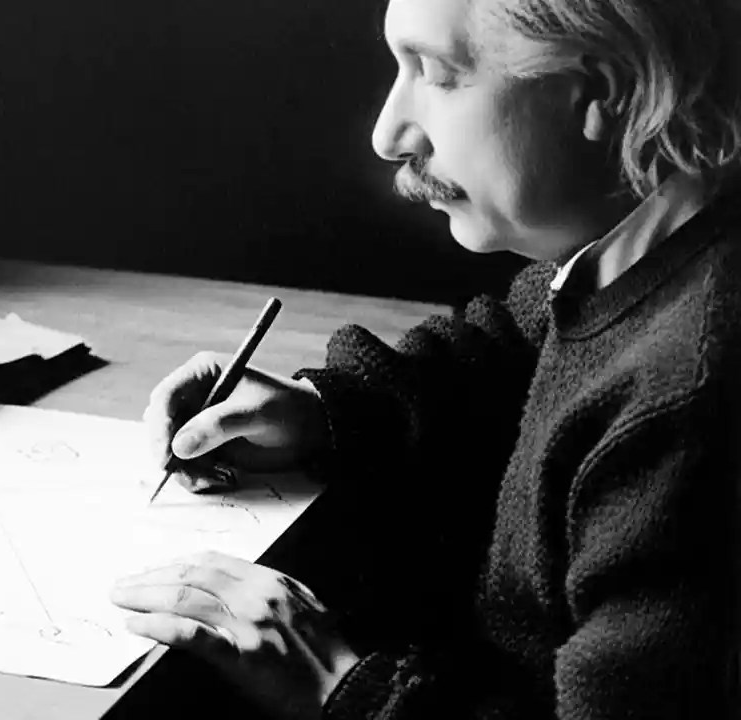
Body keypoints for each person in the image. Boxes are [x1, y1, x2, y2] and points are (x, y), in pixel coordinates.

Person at [109, 0, 741, 717]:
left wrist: (337, 684)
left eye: (435, 73)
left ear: (603, 92)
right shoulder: (654, 237)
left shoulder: (692, 398)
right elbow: (517, 344)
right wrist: (328, 413)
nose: (388, 135)